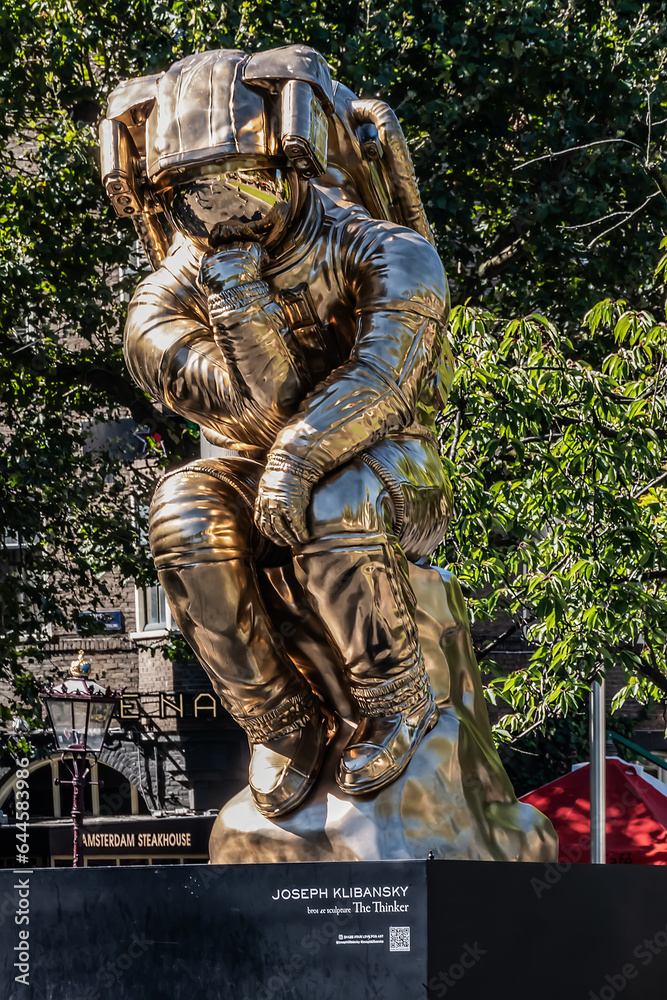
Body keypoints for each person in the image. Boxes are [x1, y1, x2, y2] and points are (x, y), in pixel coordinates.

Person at [101, 45, 455, 819]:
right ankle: (280, 720)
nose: (215, 208)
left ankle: (397, 698)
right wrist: (239, 308)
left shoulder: (390, 252)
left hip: (393, 460)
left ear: (295, 159)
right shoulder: (162, 300)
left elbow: (384, 386)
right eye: (187, 192)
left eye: (237, 178)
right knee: (181, 514)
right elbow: (252, 414)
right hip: (253, 455)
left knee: (335, 501)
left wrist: (295, 459)